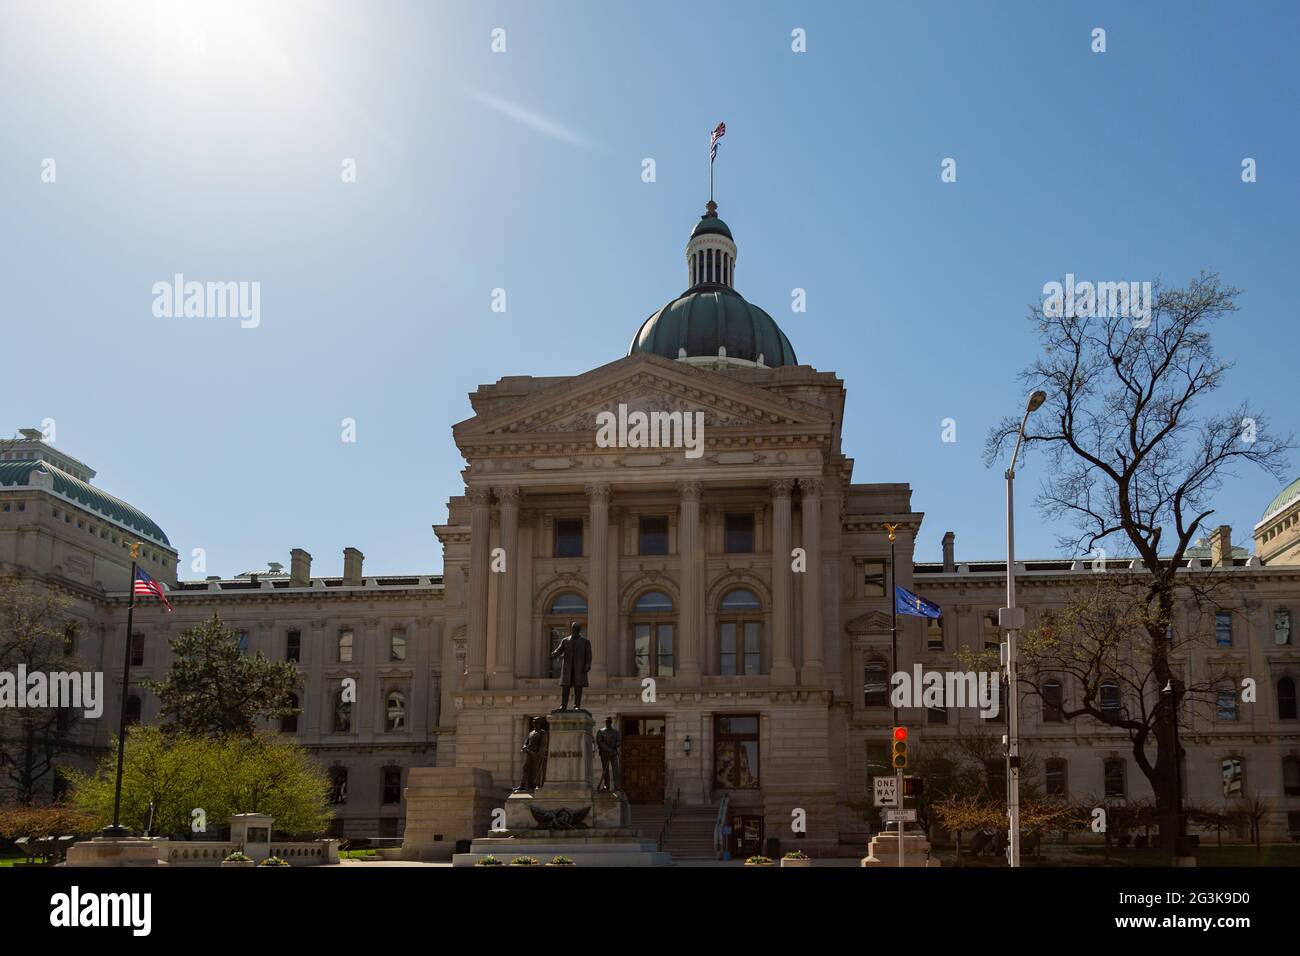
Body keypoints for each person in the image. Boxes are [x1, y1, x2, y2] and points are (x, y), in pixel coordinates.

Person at [550, 621, 592, 711]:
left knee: (578, 687)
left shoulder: (585, 642)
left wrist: (587, 664)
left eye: (576, 629)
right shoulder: (565, 640)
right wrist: (555, 653)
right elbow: (559, 650)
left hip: (579, 668)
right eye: (573, 628)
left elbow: (589, 655)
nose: (575, 630)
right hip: (568, 668)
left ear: (579, 630)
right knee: (565, 687)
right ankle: (563, 705)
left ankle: (577, 705)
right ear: (571, 629)